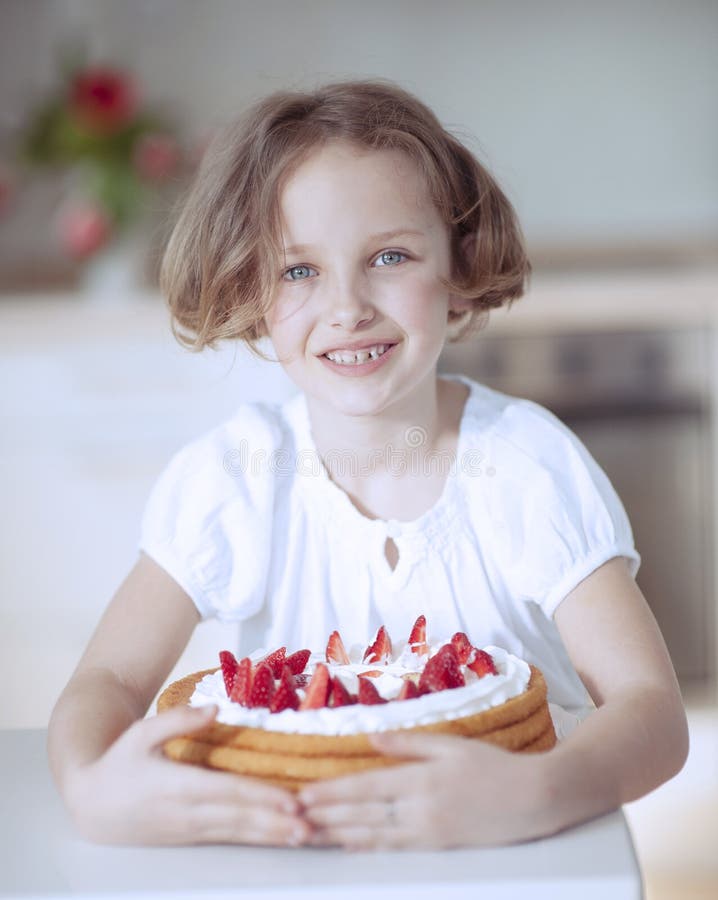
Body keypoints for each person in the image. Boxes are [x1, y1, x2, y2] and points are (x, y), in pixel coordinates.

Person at [48, 79, 689, 850]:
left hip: (513, 856)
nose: (347, 306)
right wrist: (91, 789)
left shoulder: (526, 466)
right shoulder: (236, 476)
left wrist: (540, 793)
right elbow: (106, 683)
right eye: (299, 271)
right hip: (292, 861)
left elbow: (651, 707)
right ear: (251, 288)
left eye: (389, 255)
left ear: (459, 264)